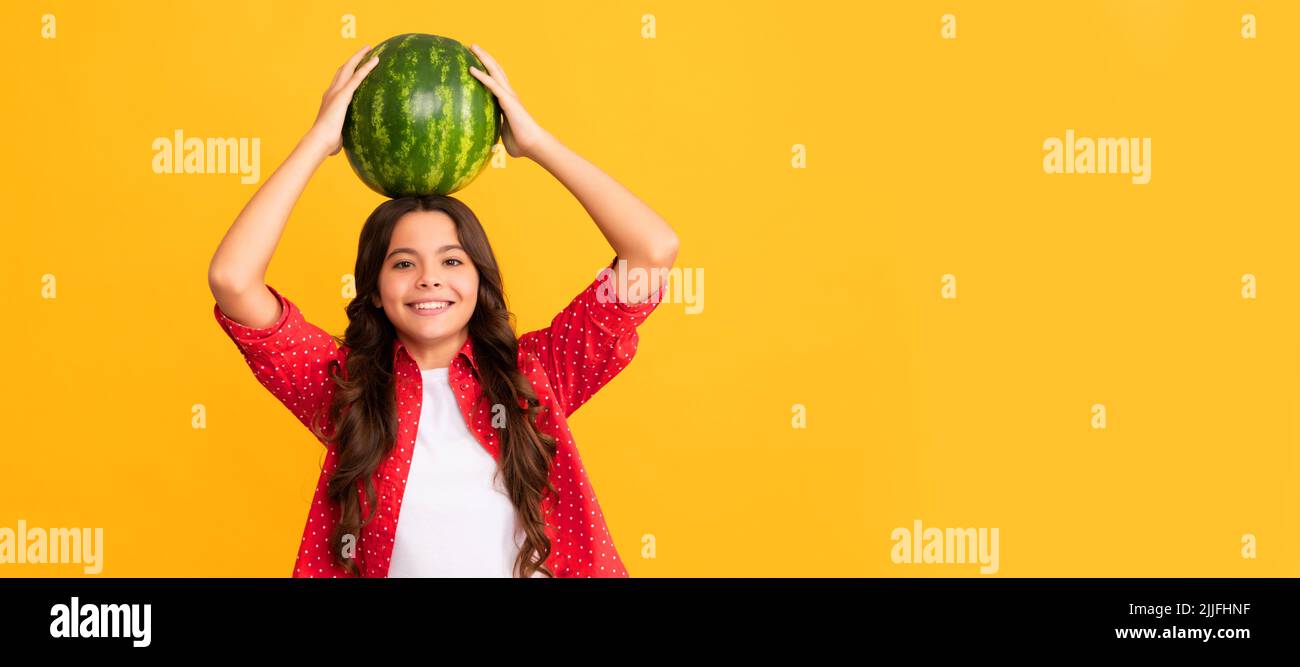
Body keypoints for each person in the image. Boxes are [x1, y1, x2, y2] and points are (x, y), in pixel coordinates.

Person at [207, 44, 678, 577]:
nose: (429, 277)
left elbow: (652, 251)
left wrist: (537, 144)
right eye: (403, 263)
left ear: (480, 278)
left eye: (451, 260)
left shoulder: (537, 375)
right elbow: (233, 280)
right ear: (375, 289)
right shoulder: (345, 387)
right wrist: (317, 142)